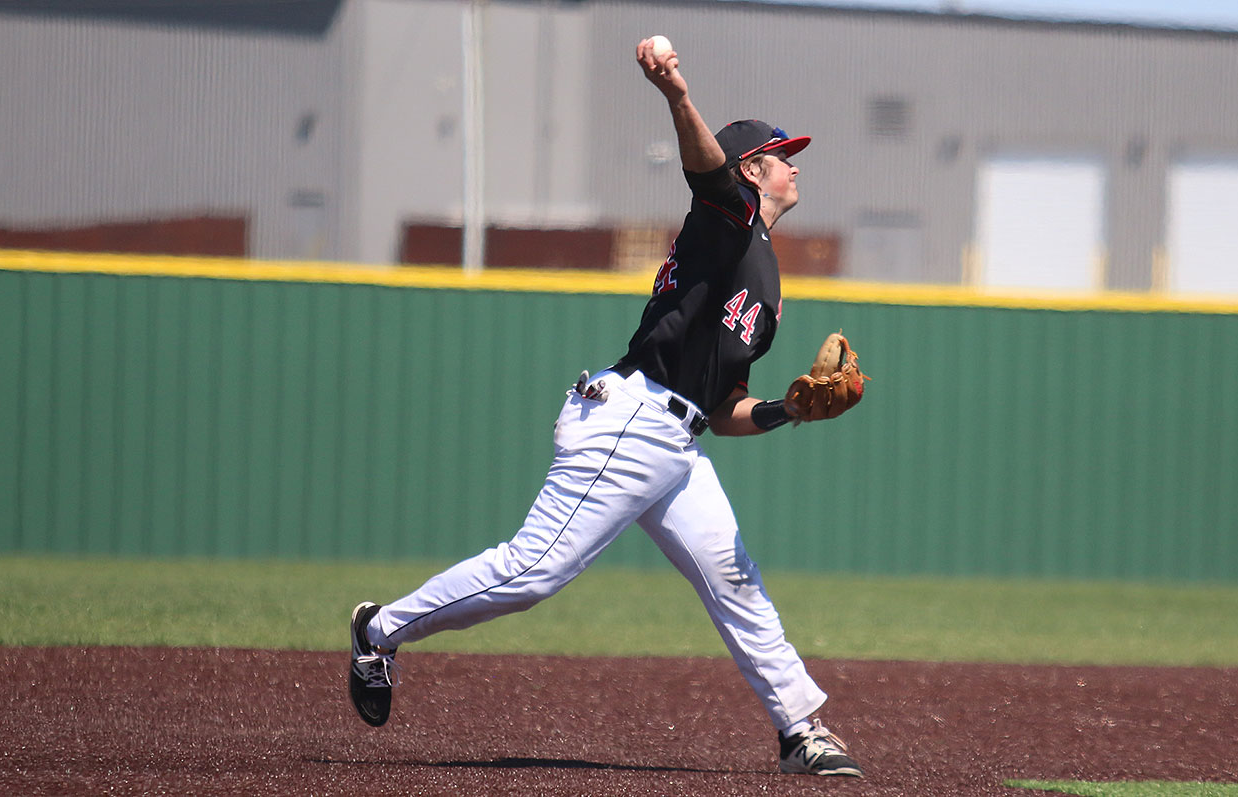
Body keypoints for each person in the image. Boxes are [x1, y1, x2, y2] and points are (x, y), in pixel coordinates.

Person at [347, 37, 864, 779]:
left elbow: (723, 407)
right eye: (783, 155)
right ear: (751, 170)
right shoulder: (729, 217)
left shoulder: (764, 274)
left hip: (679, 439)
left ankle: (799, 730)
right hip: (632, 420)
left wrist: (789, 409)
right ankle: (379, 631)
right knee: (533, 572)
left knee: (734, 576)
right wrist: (676, 92)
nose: (795, 165)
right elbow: (703, 167)